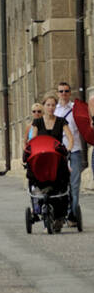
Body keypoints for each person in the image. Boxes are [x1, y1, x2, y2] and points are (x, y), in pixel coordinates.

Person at [55, 82, 83, 224]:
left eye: (66, 91)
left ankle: (72, 215)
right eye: (61, 91)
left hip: (75, 150)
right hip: (59, 152)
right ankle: (62, 213)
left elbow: (84, 126)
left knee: (75, 184)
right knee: (61, 184)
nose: (64, 93)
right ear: (57, 93)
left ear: (70, 93)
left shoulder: (75, 109)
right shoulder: (54, 110)